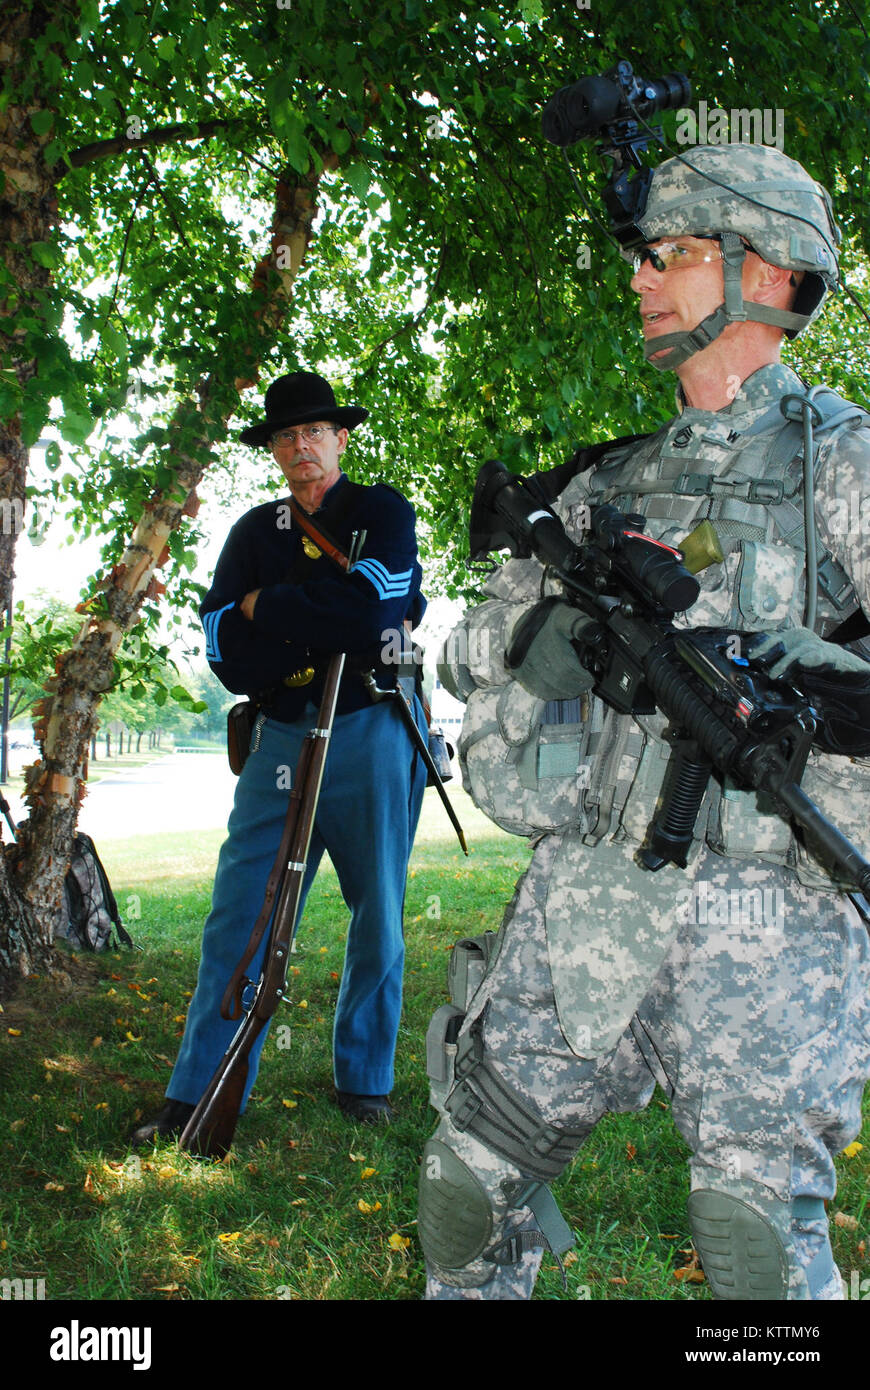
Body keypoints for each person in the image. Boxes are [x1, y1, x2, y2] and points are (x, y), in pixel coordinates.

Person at [419, 144, 870, 1300]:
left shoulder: (848, 468)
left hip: (772, 926)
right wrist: (540, 645)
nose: (641, 280)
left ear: (767, 277)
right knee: (467, 1198)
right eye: (644, 255)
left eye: (673, 255)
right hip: (591, 901)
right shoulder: (601, 490)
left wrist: (824, 685)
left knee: (753, 1250)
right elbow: (466, 652)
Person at [131, 370, 427, 1139]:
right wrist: (305, 628)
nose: (302, 447)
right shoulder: (253, 532)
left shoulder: (383, 512)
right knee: (239, 913)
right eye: (286, 436)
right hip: (280, 736)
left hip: (369, 726)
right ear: (273, 451)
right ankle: (198, 1091)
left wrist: (272, 607)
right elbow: (224, 644)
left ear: (342, 438)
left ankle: (364, 1078)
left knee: (380, 917)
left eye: (315, 432)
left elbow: (374, 617)